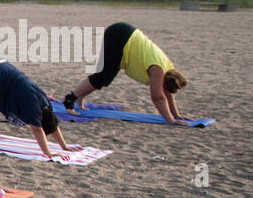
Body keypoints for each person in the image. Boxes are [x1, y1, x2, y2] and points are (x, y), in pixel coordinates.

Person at [62, 22, 191, 124]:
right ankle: (70, 99)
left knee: (105, 77)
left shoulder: (169, 71)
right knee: (103, 76)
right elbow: (158, 97)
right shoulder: (158, 69)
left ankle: (78, 97)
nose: (165, 91)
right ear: (165, 82)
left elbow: (167, 94)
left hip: (124, 37)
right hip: (119, 36)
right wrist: (171, 120)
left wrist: (176, 115)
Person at [0, 57, 73, 161]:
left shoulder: (46, 105)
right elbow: (37, 130)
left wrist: (64, 147)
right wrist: (48, 153)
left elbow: (52, 126)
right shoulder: (33, 108)